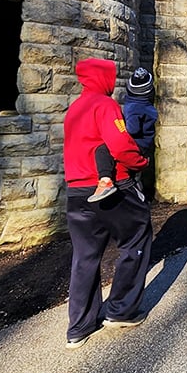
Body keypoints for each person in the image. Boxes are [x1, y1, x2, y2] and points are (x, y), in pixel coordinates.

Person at [63, 58, 153, 348]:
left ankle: (79, 327)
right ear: (102, 78)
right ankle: (121, 311)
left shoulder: (74, 109)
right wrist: (140, 163)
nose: (113, 82)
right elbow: (120, 145)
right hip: (114, 188)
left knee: (85, 256)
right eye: (111, 77)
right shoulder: (104, 105)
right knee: (136, 236)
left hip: (77, 193)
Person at [88, 67, 158, 202]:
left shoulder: (134, 108)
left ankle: (105, 181)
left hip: (137, 144)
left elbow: (132, 129)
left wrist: (120, 126)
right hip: (144, 144)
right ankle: (137, 191)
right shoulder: (146, 107)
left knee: (102, 150)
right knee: (129, 172)